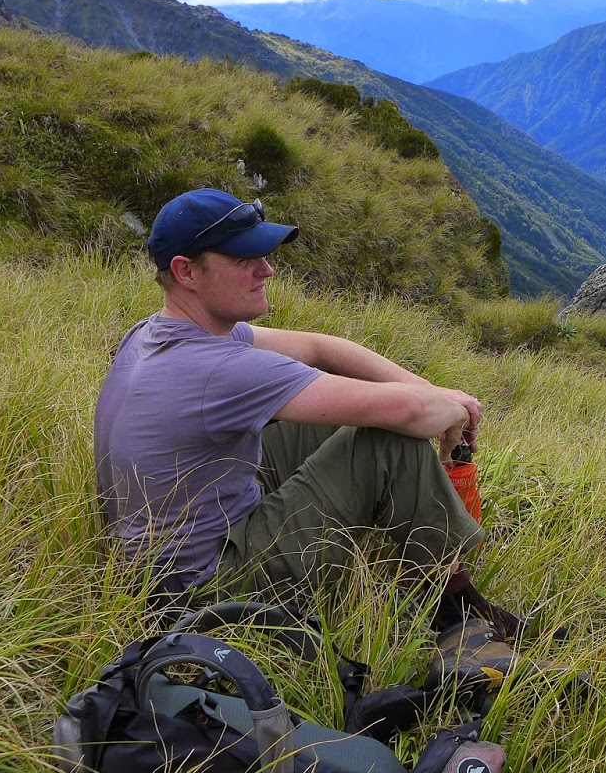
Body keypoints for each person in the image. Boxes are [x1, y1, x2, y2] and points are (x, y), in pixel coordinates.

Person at [94, 188, 517, 634]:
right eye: (244, 259)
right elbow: (410, 412)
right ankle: (454, 608)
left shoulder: (156, 333)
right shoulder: (217, 369)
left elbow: (319, 348)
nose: (266, 269)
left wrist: (434, 391)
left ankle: (422, 565)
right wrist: (449, 410)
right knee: (388, 441)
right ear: (186, 271)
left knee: (345, 418)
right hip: (206, 595)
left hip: (160, 565)